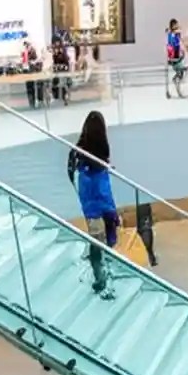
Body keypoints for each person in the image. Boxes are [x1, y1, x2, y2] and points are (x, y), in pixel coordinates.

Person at [68, 111, 118, 298]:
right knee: (106, 242)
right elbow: (101, 183)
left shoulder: (78, 153)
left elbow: (72, 173)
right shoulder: (100, 154)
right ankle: (103, 278)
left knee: (97, 242)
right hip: (104, 204)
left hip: (92, 207)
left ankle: (100, 277)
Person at [166, 20, 187, 99]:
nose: (177, 26)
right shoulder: (172, 35)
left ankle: (179, 90)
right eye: (175, 25)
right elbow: (173, 45)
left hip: (176, 56)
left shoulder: (175, 34)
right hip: (175, 57)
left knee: (181, 72)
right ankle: (179, 91)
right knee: (181, 72)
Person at [21, 41, 45, 108]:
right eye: (25, 46)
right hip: (28, 72)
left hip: (36, 71)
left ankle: (40, 101)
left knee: (39, 86)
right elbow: (24, 62)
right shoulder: (25, 53)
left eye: (27, 45)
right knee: (30, 87)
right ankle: (31, 102)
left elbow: (39, 61)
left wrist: (34, 63)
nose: (26, 47)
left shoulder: (34, 52)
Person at [50, 37, 72, 106]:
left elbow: (66, 59)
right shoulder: (55, 50)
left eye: (57, 42)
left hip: (64, 69)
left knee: (64, 83)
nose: (56, 44)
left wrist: (60, 54)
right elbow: (55, 60)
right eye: (55, 43)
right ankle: (55, 96)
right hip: (58, 69)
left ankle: (64, 98)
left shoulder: (63, 49)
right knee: (55, 82)